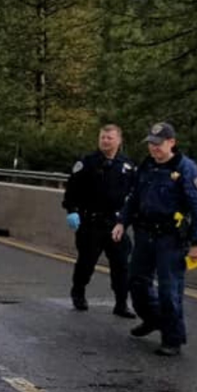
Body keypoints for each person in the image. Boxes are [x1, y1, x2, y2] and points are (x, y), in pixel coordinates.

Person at [112, 122, 197, 357]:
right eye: (151, 144)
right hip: (145, 234)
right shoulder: (147, 166)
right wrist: (122, 221)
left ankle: (172, 339)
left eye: (158, 144)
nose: (154, 148)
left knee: (169, 290)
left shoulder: (185, 169)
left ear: (171, 143)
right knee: (136, 283)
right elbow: (134, 198)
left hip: (171, 238)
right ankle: (153, 319)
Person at [62, 124, 136, 317]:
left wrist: (127, 218)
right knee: (86, 262)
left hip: (115, 224)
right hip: (91, 223)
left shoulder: (127, 166)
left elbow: (134, 195)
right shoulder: (87, 163)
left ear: (119, 140)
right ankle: (78, 292)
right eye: (102, 137)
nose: (105, 141)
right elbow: (71, 191)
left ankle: (121, 303)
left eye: (109, 138)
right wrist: (72, 211)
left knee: (121, 265)